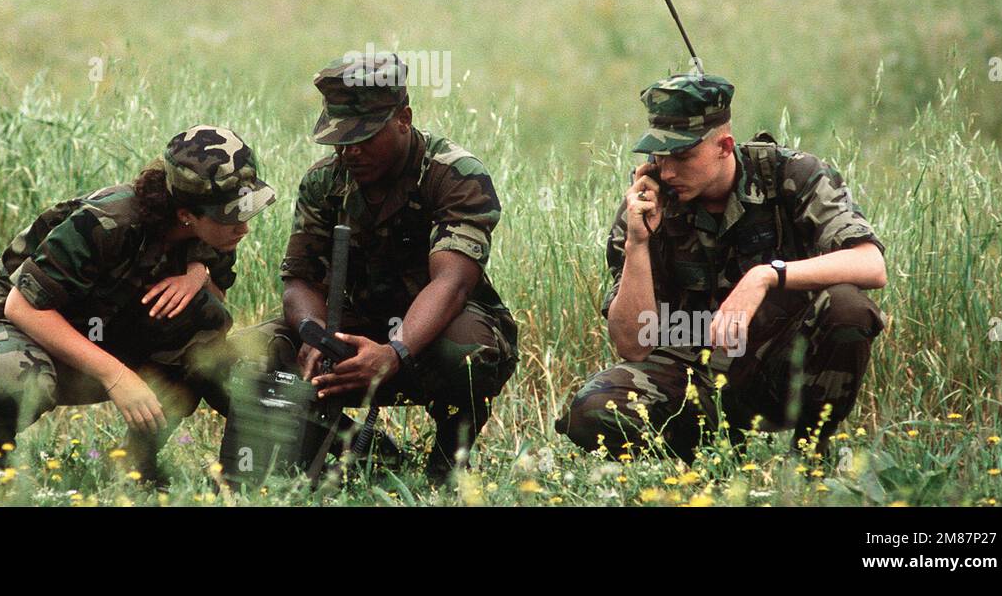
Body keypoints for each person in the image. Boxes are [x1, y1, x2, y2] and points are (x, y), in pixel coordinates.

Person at [556, 73, 887, 462]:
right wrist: (638, 243)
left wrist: (766, 276)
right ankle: (699, 459)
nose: (668, 172)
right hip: (688, 372)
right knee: (592, 411)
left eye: (682, 157)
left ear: (724, 146)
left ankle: (810, 455)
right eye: (659, 157)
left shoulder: (790, 176)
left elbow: (870, 263)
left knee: (848, 306)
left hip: (774, 364)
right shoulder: (646, 207)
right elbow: (632, 344)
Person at [0, 125, 276, 482]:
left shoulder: (214, 234)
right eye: (230, 216)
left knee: (205, 323)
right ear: (186, 214)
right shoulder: (110, 220)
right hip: (5, 324)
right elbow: (21, 307)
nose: (243, 228)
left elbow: (215, 304)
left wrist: (197, 274)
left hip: (93, 327)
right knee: (14, 374)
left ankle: (132, 466)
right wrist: (115, 376)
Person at [238, 53, 517, 484]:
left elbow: (453, 283)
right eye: (340, 139)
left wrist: (394, 353)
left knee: (467, 351)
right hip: (353, 332)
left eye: (364, 137)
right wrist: (316, 334)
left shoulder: (454, 174)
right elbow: (298, 278)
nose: (350, 151)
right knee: (238, 360)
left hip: (435, 334)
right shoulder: (323, 182)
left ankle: (449, 463)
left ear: (403, 118)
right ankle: (359, 451)